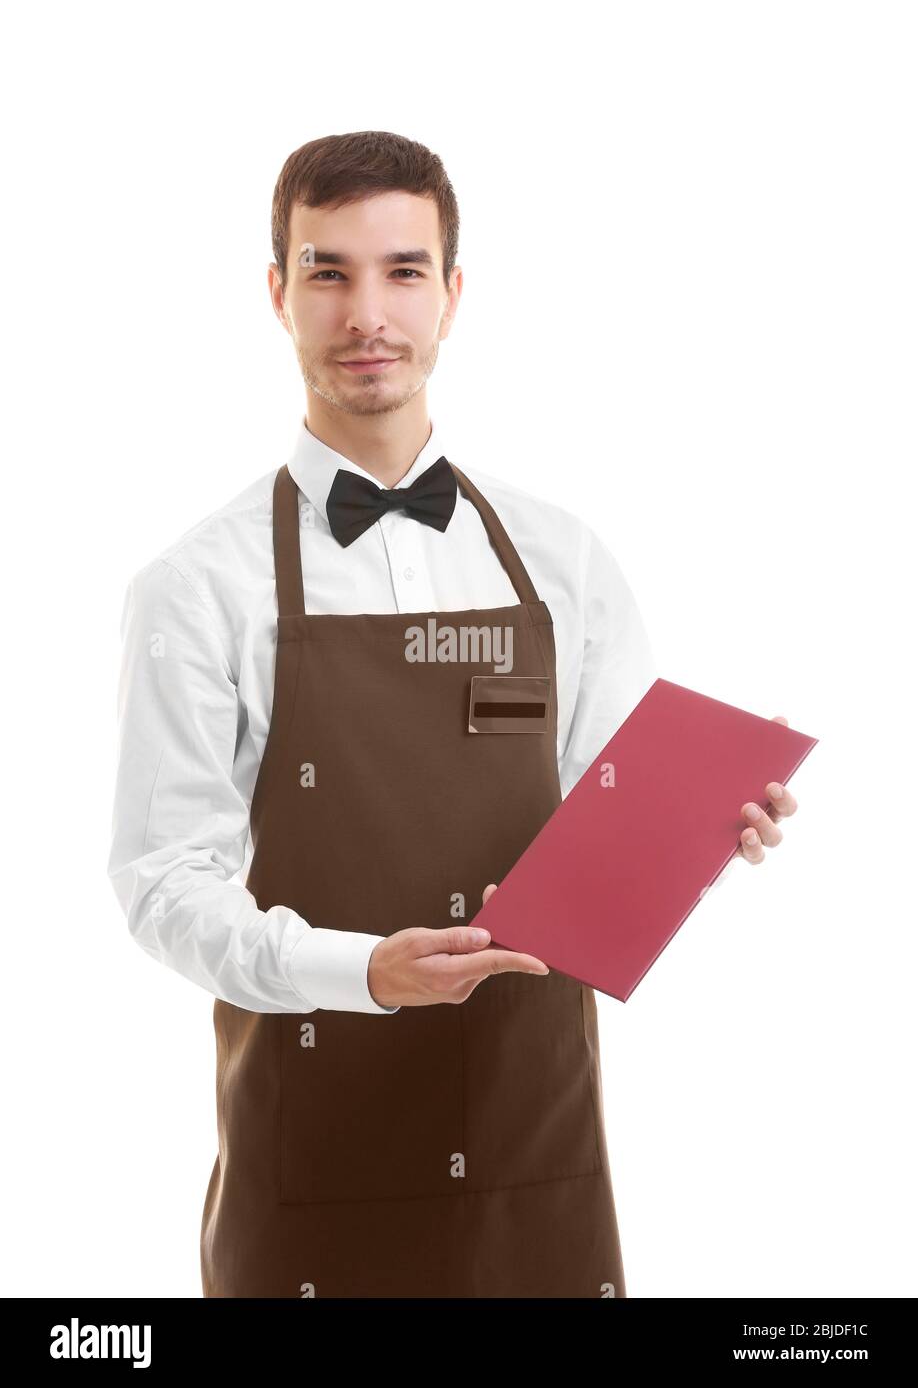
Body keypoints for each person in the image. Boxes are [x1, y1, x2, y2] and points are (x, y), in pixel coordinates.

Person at [107, 130, 799, 1298]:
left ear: (454, 293)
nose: (367, 310)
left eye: (404, 269)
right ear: (278, 294)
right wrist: (366, 970)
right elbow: (162, 884)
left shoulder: (564, 563)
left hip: (541, 1162)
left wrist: (705, 835)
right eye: (328, 271)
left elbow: (605, 843)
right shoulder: (197, 587)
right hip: (312, 1164)